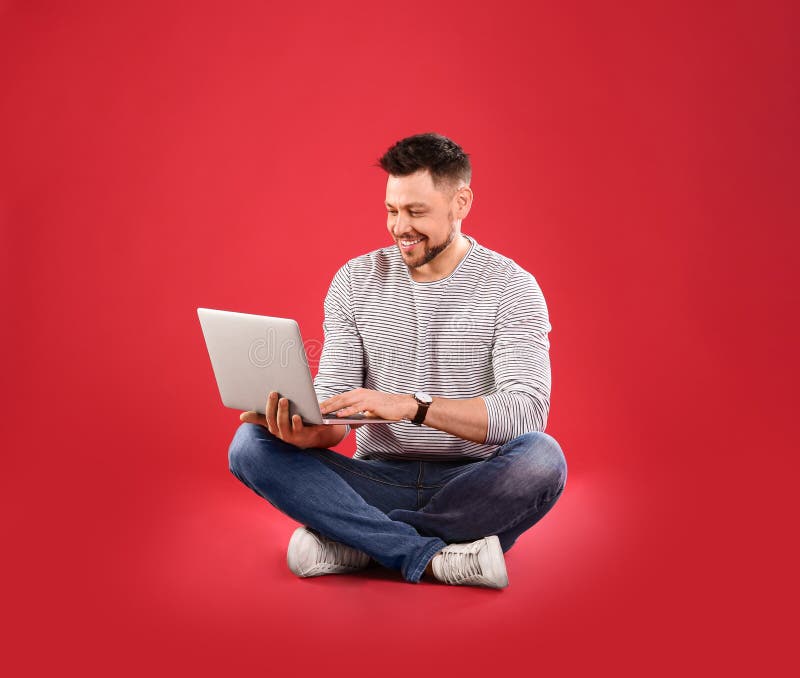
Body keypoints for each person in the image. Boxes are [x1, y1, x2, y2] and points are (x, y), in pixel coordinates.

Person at [228, 132, 567, 589]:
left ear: (460, 202)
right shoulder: (354, 280)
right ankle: (431, 555)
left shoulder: (513, 287)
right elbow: (336, 411)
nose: (400, 226)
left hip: (472, 482)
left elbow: (524, 413)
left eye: (416, 212)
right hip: (377, 479)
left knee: (544, 459)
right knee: (250, 445)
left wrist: (413, 407)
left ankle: (357, 541)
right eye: (392, 210)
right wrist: (307, 429)